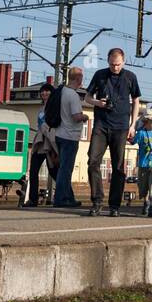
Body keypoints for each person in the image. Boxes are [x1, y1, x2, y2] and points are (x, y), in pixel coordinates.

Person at [85, 48, 142, 216]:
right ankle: (97, 201)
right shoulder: (100, 75)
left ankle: (114, 205)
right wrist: (98, 103)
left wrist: (133, 125)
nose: (115, 68)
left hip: (121, 126)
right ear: (108, 61)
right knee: (92, 162)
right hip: (101, 125)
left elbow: (136, 100)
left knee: (118, 167)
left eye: (117, 65)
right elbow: (87, 98)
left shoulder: (130, 77)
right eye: (111, 64)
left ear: (123, 62)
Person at [51, 67, 88, 208]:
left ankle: (69, 197)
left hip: (60, 134)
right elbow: (76, 116)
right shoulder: (73, 95)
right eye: (81, 77)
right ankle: (60, 198)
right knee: (65, 170)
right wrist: (85, 117)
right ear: (78, 79)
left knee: (64, 168)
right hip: (70, 136)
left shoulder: (62, 92)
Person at [24, 84, 59, 207]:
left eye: (47, 91)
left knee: (54, 171)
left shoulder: (56, 107)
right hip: (40, 141)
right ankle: (33, 199)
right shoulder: (40, 108)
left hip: (50, 141)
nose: (44, 94)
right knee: (33, 170)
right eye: (42, 92)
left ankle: (64, 195)